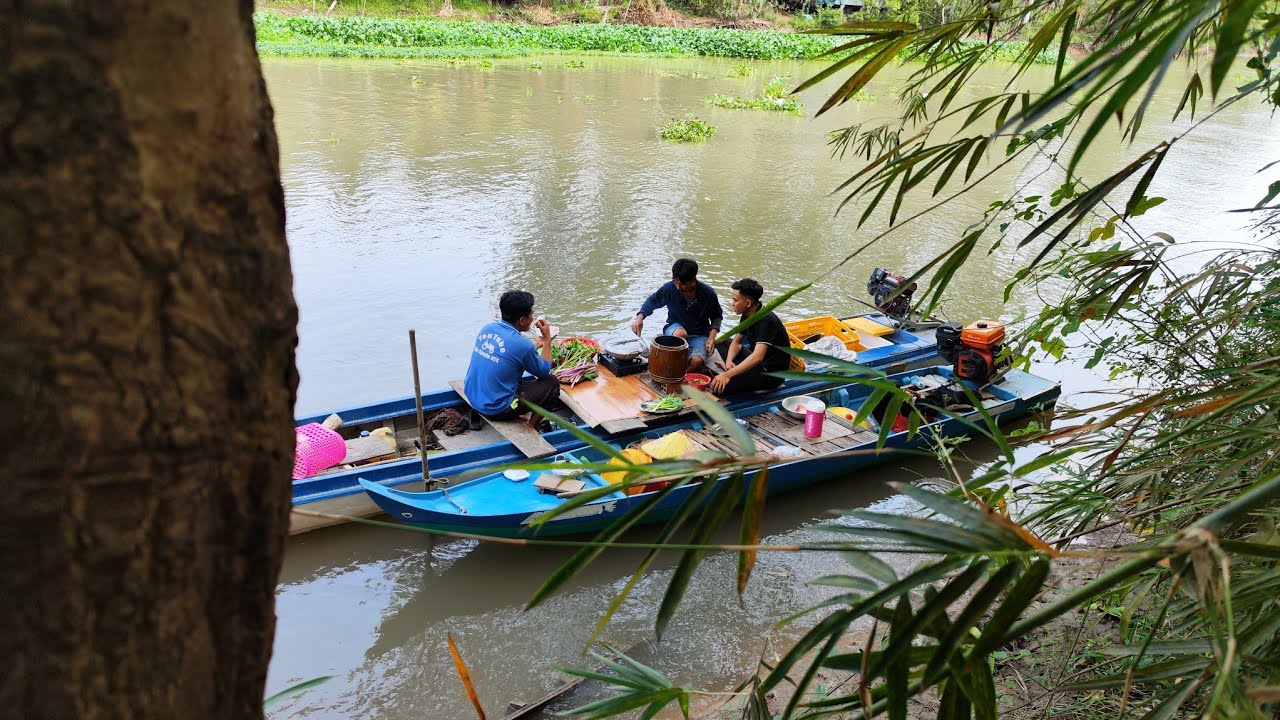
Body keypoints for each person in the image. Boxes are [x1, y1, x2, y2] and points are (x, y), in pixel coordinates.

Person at [463, 290, 560, 430]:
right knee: (552, 383)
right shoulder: (523, 345)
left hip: (473, 396)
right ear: (522, 320)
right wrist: (547, 340)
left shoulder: (487, 328)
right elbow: (544, 371)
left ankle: (478, 411)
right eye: (531, 315)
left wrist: (536, 344)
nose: (532, 318)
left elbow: (509, 353)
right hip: (496, 408)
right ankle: (531, 427)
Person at [630, 258, 722, 373]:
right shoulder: (669, 288)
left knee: (697, 362)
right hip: (674, 328)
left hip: (699, 335)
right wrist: (640, 317)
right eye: (676, 282)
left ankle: (681, 376)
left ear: (693, 280)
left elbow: (717, 316)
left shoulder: (708, 293)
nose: (678, 287)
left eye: (682, 284)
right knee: (680, 334)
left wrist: (711, 337)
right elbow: (653, 301)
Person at [708, 278, 789, 395]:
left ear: (748, 303)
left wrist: (727, 375)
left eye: (735, 300)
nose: (732, 303)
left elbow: (757, 357)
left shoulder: (767, 320)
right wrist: (729, 362)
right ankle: (731, 370)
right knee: (721, 343)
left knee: (718, 387)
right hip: (757, 363)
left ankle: (736, 376)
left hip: (770, 374)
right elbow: (737, 342)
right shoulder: (747, 313)